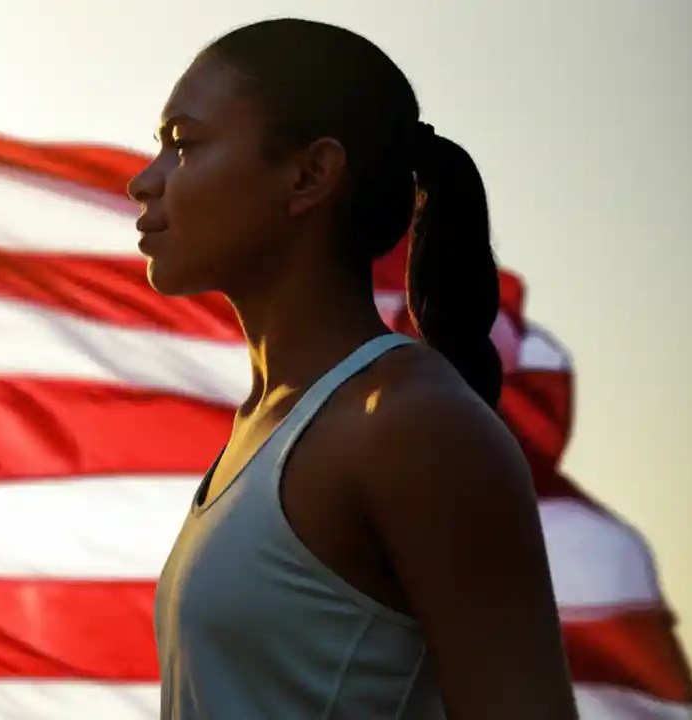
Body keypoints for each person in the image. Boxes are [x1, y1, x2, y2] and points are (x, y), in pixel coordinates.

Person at [129, 18, 579, 720]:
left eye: (183, 144)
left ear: (310, 174)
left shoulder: (407, 423)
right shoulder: (268, 426)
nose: (143, 181)